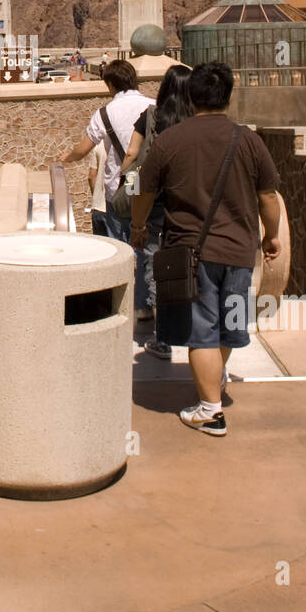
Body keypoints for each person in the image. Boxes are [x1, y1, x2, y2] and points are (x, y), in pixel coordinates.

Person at [131, 61, 281, 437]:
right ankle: (216, 383)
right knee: (227, 330)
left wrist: (136, 227)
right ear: (227, 96)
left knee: (202, 332)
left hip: (191, 253)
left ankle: (211, 411)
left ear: (191, 96)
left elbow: (144, 192)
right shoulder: (248, 140)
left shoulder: (171, 140)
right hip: (239, 253)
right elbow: (269, 197)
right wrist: (272, 236)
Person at [59, 61, 154, 311]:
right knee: (146, 249)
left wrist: (67, 158)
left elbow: (84, 148)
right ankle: (143, 306)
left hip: (119, 191)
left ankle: (118, 304)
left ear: (111, 84)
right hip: (149, 189)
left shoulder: (105, 113)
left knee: (118, 249)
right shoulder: (153, 106)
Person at [118, 63, 192, 353]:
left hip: (152, 205)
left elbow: (132, 153)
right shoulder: (194, 121)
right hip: (185, 205)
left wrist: (123, 178)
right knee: (186, 266)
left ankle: (163, 339)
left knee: (153, 267)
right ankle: (190, 326)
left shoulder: (150, 116)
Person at [87, 140, 108, 236]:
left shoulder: (100, 144)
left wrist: (96, 198)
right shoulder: (130, 145)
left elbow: (91, 176)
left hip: (98, 208)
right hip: (118, 210)